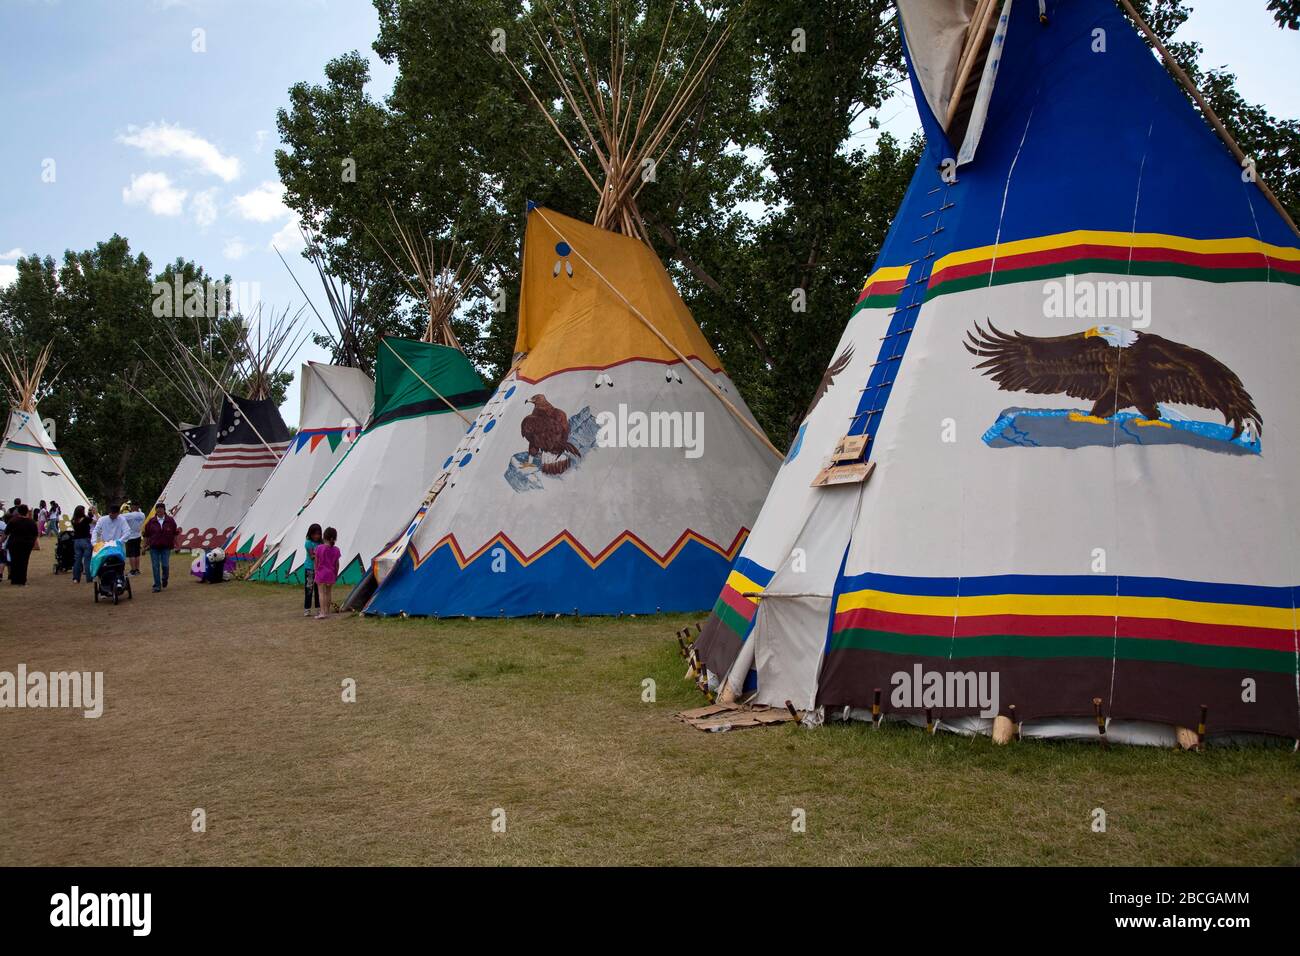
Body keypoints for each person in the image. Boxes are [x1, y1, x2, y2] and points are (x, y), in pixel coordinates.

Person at [142, 501, 179, 593]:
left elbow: (175, 534)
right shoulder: (151, 522)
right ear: (156, 511)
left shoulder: (170, 521)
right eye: (158, 510)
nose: (159, 512)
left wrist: (177, 545)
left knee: (165, 565)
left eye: (161, 510)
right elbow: (146, 535)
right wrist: (144, 546)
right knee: (155, 566)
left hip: (166, 547)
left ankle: (164, 578)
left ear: (164, 510)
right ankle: (157, 585)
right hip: (154, 547)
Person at [4, 504, 39, 586]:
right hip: (26, 544)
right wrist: (33, 542)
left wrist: (1, 542)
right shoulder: (31, 522)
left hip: (14, 543)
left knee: (14, 561)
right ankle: (22, 580)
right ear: (27, 512)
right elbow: (35, 534)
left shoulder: (13, 521)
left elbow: (6, 533)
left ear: (18, 511)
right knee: (24, 561)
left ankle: (14, 579)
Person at [313, 527, 341, 620]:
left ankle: (322, 612)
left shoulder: (319, 548)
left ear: (324, 537)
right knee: (328, 593)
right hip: (331, 573)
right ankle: (327, 611)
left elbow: (316, 562)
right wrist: (336, 574)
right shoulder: (336, 550)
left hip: (321, 573)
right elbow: (337, 564)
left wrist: (316, 571)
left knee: (321, 593)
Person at [302, 523, 322, 617]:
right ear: (310, 534)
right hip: (309, 568)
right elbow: (312, 556)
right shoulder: (308, 543)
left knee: (319, 589)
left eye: (318, 534)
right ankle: (307, 609)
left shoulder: (321, 543)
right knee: (309, 589)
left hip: (319, 569)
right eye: (314, 534)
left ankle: (319, 608)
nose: (316, 536)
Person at [122, 501, 146, 576]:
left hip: (130, 536)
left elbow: (119, 517)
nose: (130, 507)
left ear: (133, 506)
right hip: (138, 535)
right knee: (137, 554)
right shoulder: (142, 514)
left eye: (131, 506)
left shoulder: (130, 515)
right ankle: (137, 570)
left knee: (131, 554)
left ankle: (133, 570)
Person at [70, 505, 93, 583]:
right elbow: (93, 521)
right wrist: (91, 513)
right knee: (87, 560)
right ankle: (89, 578)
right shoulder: (85, 519)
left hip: (76, 541)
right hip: (85, 540)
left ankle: (76, 578)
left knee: (77, 560)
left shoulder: (73, 520)